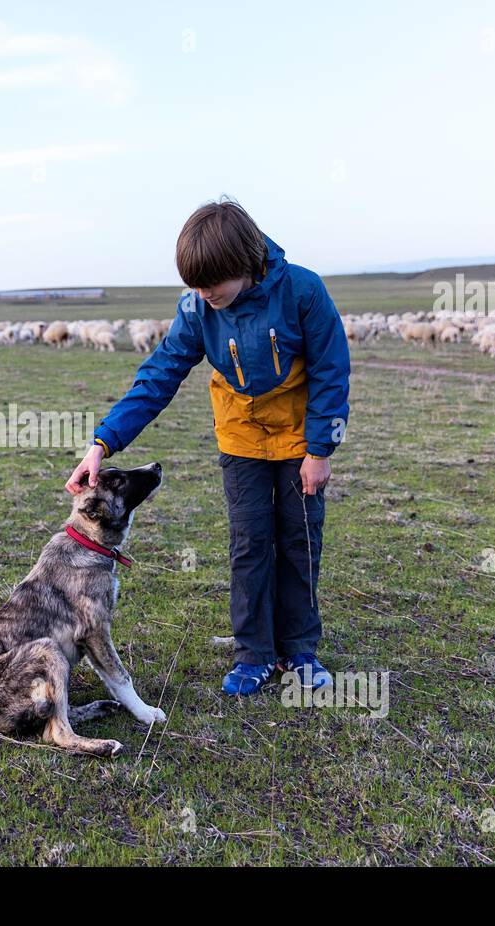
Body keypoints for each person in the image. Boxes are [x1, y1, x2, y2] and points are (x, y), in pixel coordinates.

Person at [65, 199, 350, 696]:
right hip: (240, 437)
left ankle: (300, 649)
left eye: (211, 283)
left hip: (298, 437)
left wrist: (320, 449)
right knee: (250, 544)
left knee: (300, 540)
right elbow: (160, 374)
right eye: (194, 284)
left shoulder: (304, 291)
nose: (202, 293)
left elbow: (331, 370)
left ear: (243, 262)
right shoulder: (199, 307)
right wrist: (102, 443)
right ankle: (255, 653)